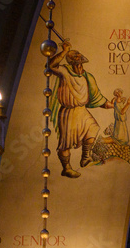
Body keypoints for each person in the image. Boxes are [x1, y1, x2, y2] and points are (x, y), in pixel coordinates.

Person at [48, 41, 115, 178]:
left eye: (79, 59)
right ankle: (66, 167)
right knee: (65, 142)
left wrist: (110, 105)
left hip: (81, 110)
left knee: (92, 128)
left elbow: (96, 96)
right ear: (71, 62)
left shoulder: (87, 77)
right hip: (68, 112)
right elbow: (50, 66)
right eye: (75, 60)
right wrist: (65, 50)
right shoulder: (65, 71)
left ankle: (85, 157)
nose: (78, 62)